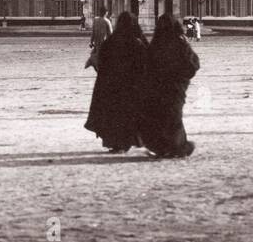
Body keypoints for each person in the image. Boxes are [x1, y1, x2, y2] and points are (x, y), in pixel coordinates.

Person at [137, 13, 200, 158]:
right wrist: (182, 79)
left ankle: (161, 147)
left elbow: (147, 66)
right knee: (174, 118)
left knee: (159, 118)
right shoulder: (180, 43)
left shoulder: (156, 43)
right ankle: (178, 146)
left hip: (158, 88)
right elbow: (193, 64)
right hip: (175, 88)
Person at [84, 11, 148, 152]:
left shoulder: (111, 41)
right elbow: (146, 63)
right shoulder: (138, 42)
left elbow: (103, 63)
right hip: (131, 87)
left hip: (113, 88)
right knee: (129, 115)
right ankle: (130, 140)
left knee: (115, 116)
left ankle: (117, 144)